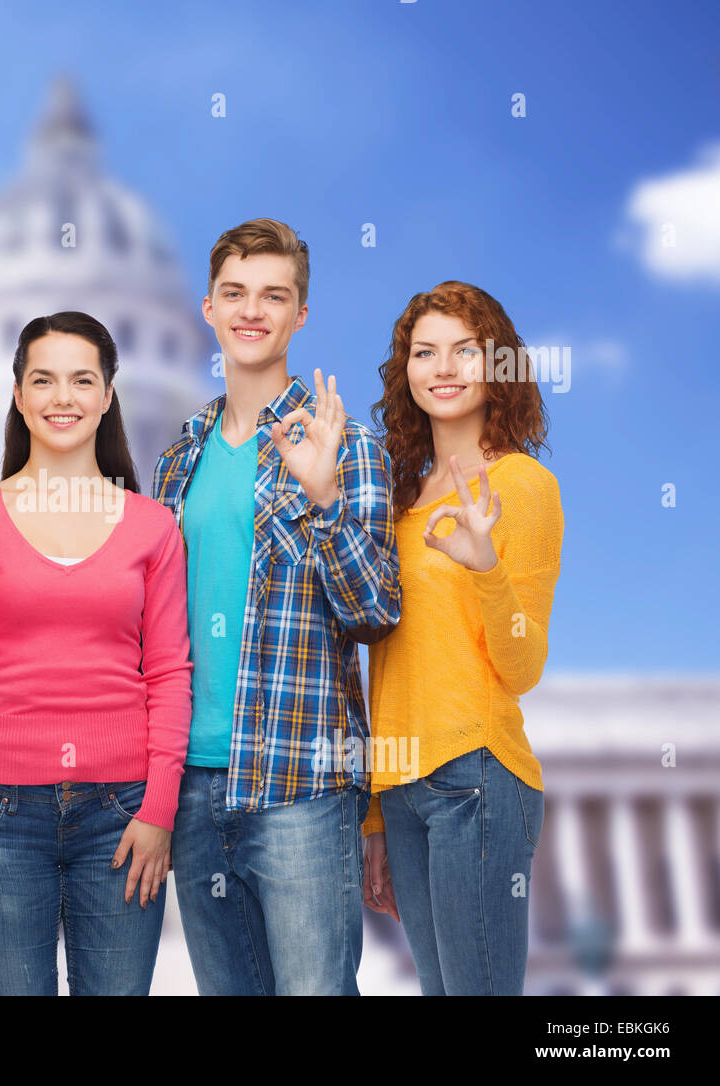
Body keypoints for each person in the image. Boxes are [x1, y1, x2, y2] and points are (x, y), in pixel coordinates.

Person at [153, 218, 401, 995]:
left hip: (300, 779)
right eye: (235, 293)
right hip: (194, 784)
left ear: (300, 315)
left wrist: (324, 496)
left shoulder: (349, 444)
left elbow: (375, 611)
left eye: (274, 296)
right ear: (208, 308)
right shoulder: (177, 457)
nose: (251, 311)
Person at [0, 311, 193, 996]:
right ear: (18, 395)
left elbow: (168, 673)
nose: (62, 398)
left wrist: (160, 809)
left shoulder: (152, 526)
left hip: (123, 809)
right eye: (43, 380)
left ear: (108, 395)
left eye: (82, 380)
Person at [361, 280, 561, 996]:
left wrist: (486, 570)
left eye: (464, 351)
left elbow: (523, 664)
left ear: (496, 365)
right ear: (405, 371)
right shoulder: (397, 498)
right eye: (424, 352)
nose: (442, 368)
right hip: (405, 787)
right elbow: (384, 661)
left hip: (475, 779)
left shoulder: (522, 487)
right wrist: (377, 813)